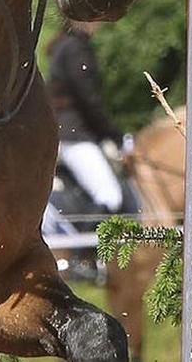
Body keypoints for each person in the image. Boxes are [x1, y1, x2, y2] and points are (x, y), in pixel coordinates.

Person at [46, 19, 130, 216]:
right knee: (110, 196)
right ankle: (88, 247)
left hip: (64, 132)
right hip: (73, 135)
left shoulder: (65, 44)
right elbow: (89, 101)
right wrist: (117, 138)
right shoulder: (76, 48)